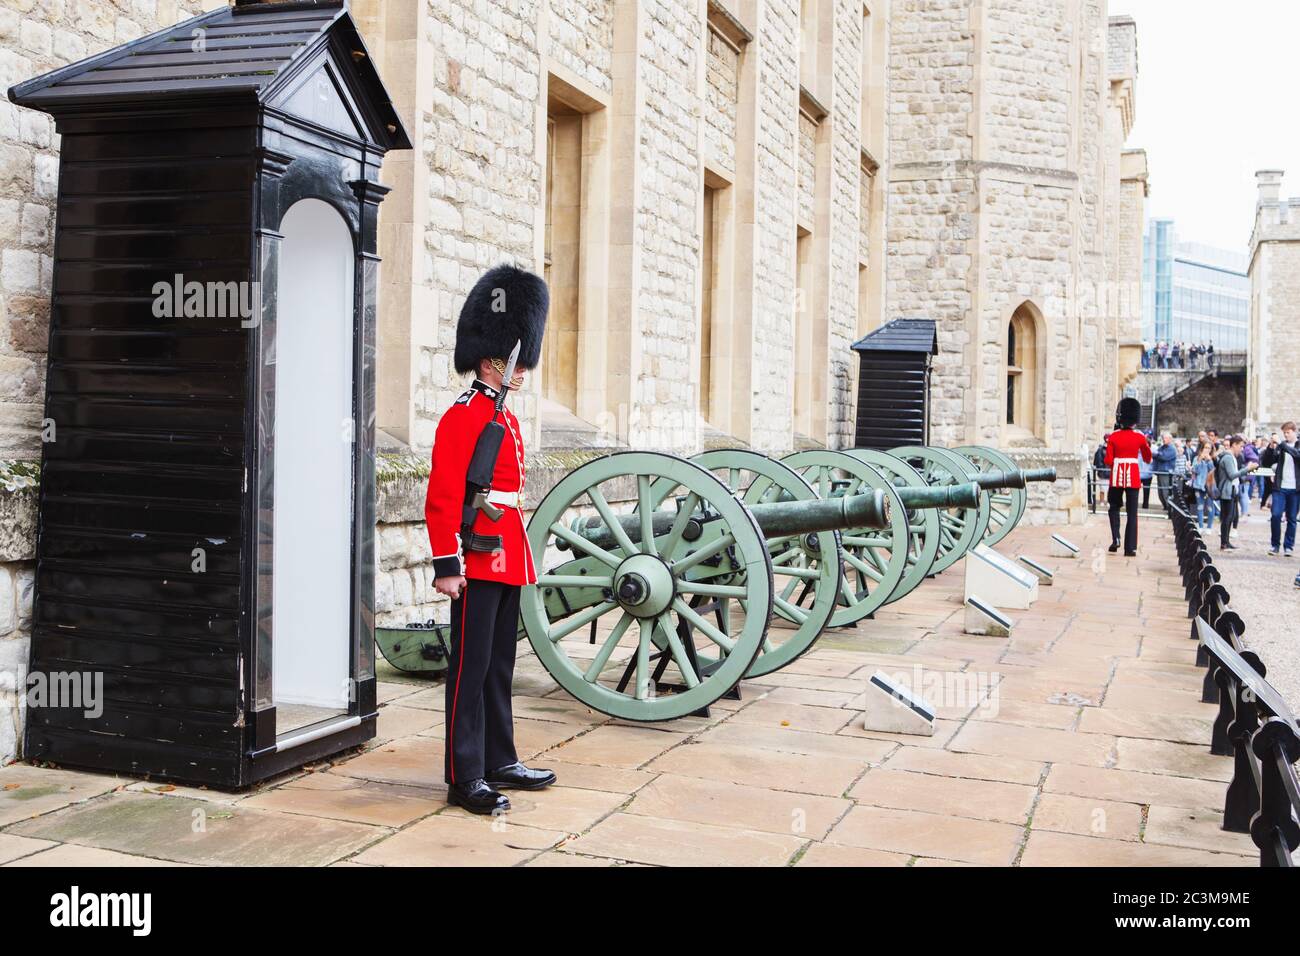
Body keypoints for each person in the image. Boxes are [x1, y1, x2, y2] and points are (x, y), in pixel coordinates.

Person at [425, 264, 555, 815]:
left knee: (501, 663)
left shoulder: (505, 416)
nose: (522, 371)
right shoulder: (462, 417)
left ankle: (501, 758)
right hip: (477, 557)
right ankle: (465, 774)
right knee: (470, 669)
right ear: (488, 360)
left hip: (508, 555)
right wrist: (446, 563)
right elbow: (442, 494)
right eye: (513, 362)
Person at [1105, 397, 1151, 556]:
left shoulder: (1113, 437)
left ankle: (1116, 537)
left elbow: (1108, 460)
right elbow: (1147, 457)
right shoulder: (1139, 437)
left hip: (1117, 475)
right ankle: (1130, 547)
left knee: (1114, 507)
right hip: (1133, 475)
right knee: (1132, 513)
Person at [1261, 421, 1300, 557]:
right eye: (1284, 433)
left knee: (1292, 519)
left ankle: (1288, 546)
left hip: (1295, 488)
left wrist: (1282, 444)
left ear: (1294, 432)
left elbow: (1297, 455)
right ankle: (1275, 544)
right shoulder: (1281, 446)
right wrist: (1271, 448)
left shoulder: (1296, 445)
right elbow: (1267, 462)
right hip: (1280, 487)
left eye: (1288, 432)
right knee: (1276, 515)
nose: (1286, 435)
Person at [1214, 436, 1256, 551]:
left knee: (1230, 516)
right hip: (1227, 491)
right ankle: (1224, 543)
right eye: (1240, 446)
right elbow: (1232, 474)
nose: (1241, 449)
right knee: (1227, 517)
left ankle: (1226, 541)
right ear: (1234, 445)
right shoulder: (1228, 458)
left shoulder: (1230, 457)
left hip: (1231, 490)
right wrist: (1247, 469)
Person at [1190, 443, 1216, 530]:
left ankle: (1209, 527)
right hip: (1198, 485)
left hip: (1209, 486)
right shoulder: (1196, 458)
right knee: (1199, 506)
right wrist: (1199, 460)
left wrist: (1209, 461)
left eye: (1209, 448)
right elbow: (1194, 470)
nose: (1207, 450)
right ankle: (1200, 526)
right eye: (1205, 447)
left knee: (1210, 507)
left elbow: (1213, 471)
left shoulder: (1213, 459)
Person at [1152, 431, 1178, 506]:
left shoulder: (1172, 449)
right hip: (1160, 471)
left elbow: (1164, 457)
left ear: (1170, 439)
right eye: (1163, 438)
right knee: (1160, 491)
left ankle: (1168, 507)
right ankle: (1165, 506)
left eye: (1165, 438)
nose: (1163, 439)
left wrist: (1157, 454)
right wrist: (1157, 454)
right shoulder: (1161, 447)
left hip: (1166, 472)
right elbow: (1154, 454)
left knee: (1165, 491)